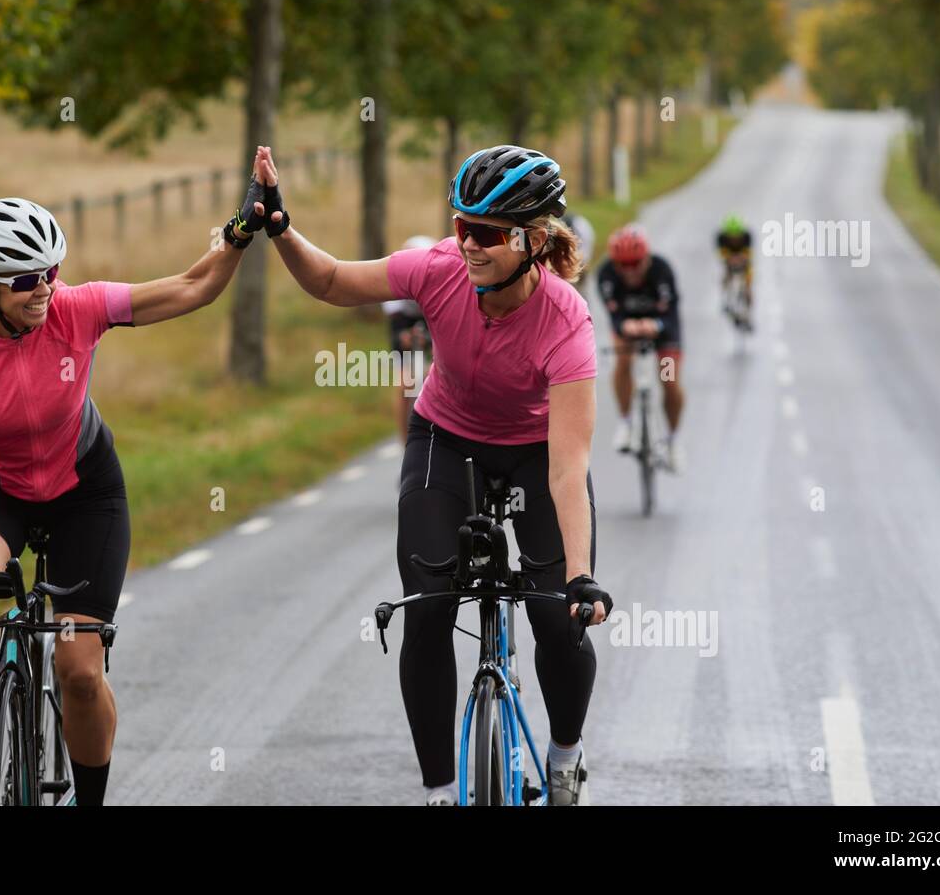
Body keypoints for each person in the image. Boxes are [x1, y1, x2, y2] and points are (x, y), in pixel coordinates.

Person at [0, 149, 273, 805]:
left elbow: (189, 287)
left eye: (51, 271)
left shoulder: (77, 309)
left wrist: (239, 232)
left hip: (84, 493)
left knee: (80, 671)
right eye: (26, 279)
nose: (44, 287)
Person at [261, 143, 613, 806]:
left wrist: (579, 576)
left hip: (538, 453)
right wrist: (281, 228)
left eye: (483, 232)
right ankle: (441, 792)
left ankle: (565, 758)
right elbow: (334, 280)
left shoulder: (566, 320)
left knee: (561, 620)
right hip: (445, 441)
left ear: (532, 240)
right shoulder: (439, 270)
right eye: (460, 226)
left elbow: (569, 467)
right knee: (426, 607)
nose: (468, 244)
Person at [596, 223, 686, 474]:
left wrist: (655, 324)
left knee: (669, 380)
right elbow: (613, 316)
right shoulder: (606, 274)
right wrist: (626, 326)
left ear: (646, 258)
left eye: (635, 263)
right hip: (628, 326)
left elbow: (670, 315)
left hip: (663, 331)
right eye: (623, 265)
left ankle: (673, 440)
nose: (630, 271)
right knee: (623, 361)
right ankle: (625, 423)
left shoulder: (662, 270)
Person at [382, 235, 435, 443]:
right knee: (405, 384)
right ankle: (404, 442)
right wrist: (403, 338)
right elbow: (395, 335)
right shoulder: (391, 285)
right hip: (408, 324)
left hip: (434, 324)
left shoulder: (442, 284)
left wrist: (429, 341)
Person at [716, 214, 753, 329]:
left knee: (748, 280)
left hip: (743, 259)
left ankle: (747, 311)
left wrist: (742, 259)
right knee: (726, 273)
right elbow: (722, 254)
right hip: (729, 258)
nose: (734, 239)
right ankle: (726, 296)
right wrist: (730, 259)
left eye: (737, 237)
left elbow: (748, 255)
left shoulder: (747, 237)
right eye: (731, 237)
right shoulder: (721, 238)